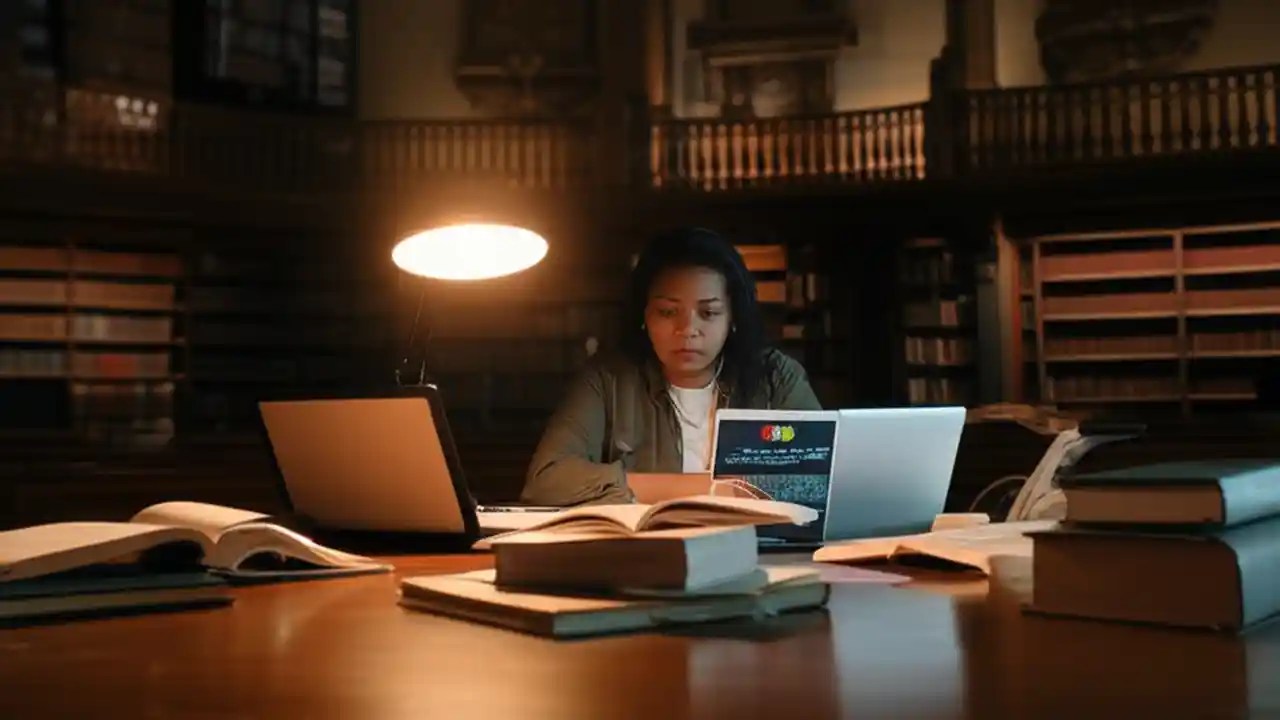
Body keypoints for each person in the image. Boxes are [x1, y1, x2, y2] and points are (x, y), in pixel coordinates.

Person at [521, 227, 823, 506]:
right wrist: (715, 489)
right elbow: (546, 480)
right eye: (667, 312)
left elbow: (821, 480)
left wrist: (640, 488)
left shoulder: (775, 377)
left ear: (733, 317)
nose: (687, 329)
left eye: (708, 313)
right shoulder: (607, 380)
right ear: (644, 315)